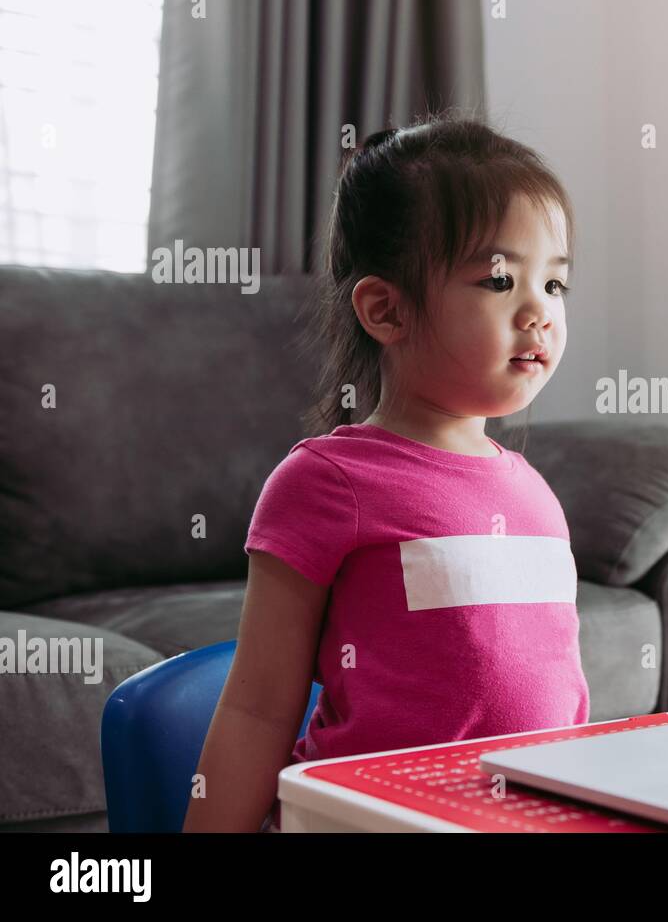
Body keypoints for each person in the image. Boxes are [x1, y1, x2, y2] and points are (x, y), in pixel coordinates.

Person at [183, 110, 589, 832]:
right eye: (499, 280)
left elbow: (559, 707)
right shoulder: (326, 483)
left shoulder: (534, 494)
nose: (540, 313)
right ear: (386, 310)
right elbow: (257, 709)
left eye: (555, 285)